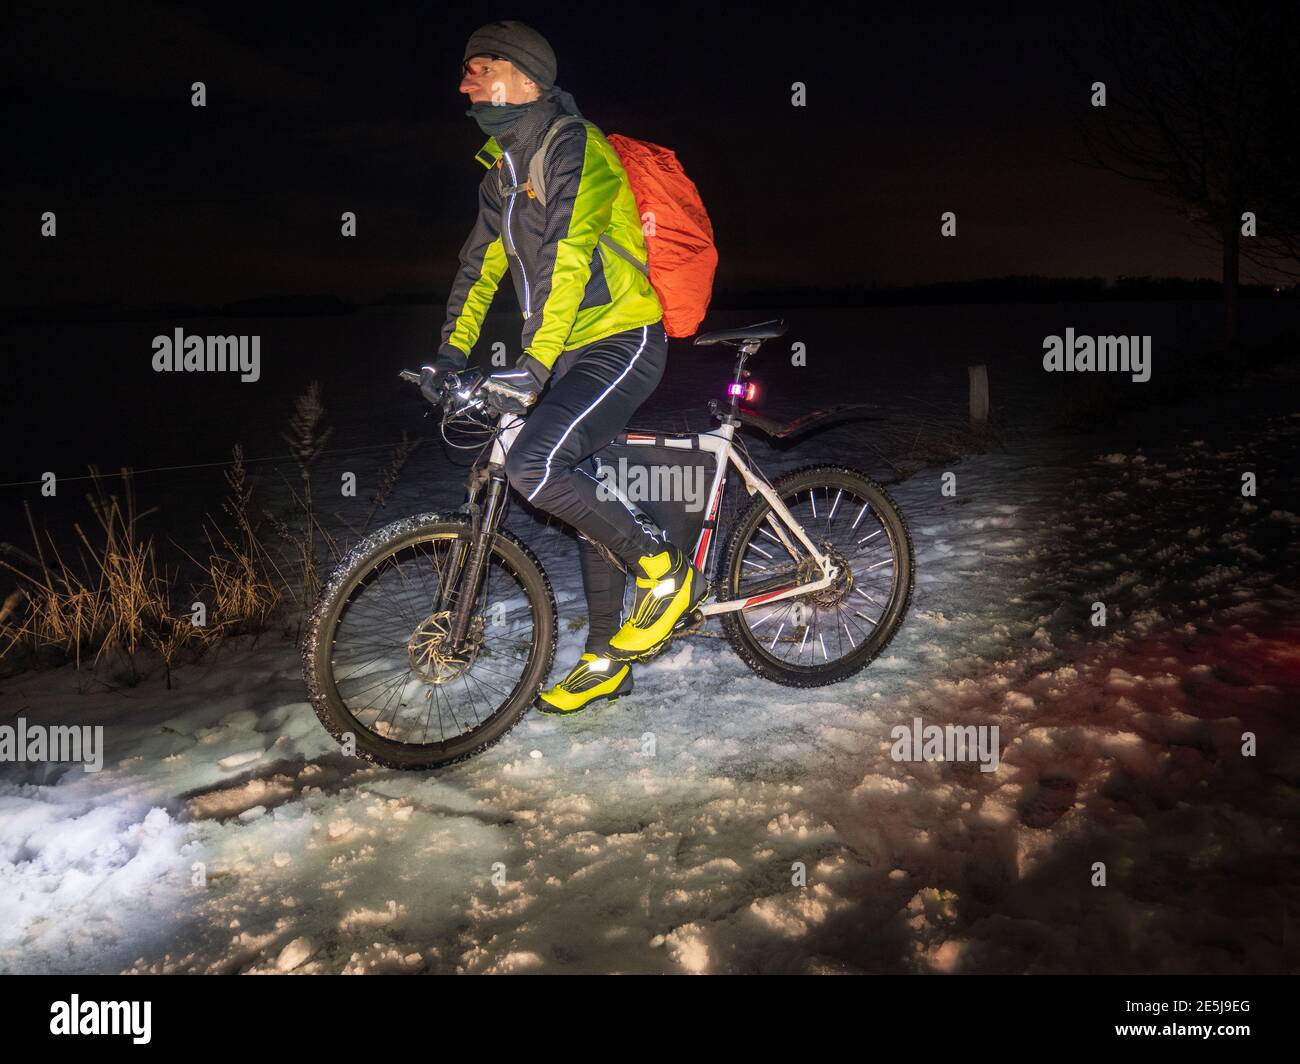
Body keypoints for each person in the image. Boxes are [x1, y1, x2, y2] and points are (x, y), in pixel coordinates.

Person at [425, 20, 707, 713]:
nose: (466, 83)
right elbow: (479, 267)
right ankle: (607, 660)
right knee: (583, 500)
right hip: (565, 349)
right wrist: (448, 355)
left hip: (621, 338)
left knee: (535, 466)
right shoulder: (502, 170)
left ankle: (666, 571)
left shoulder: (576, 147)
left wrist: (530, 366)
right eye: (465, 70)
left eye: (481, 68)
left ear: (527, 79)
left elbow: (566, 259)